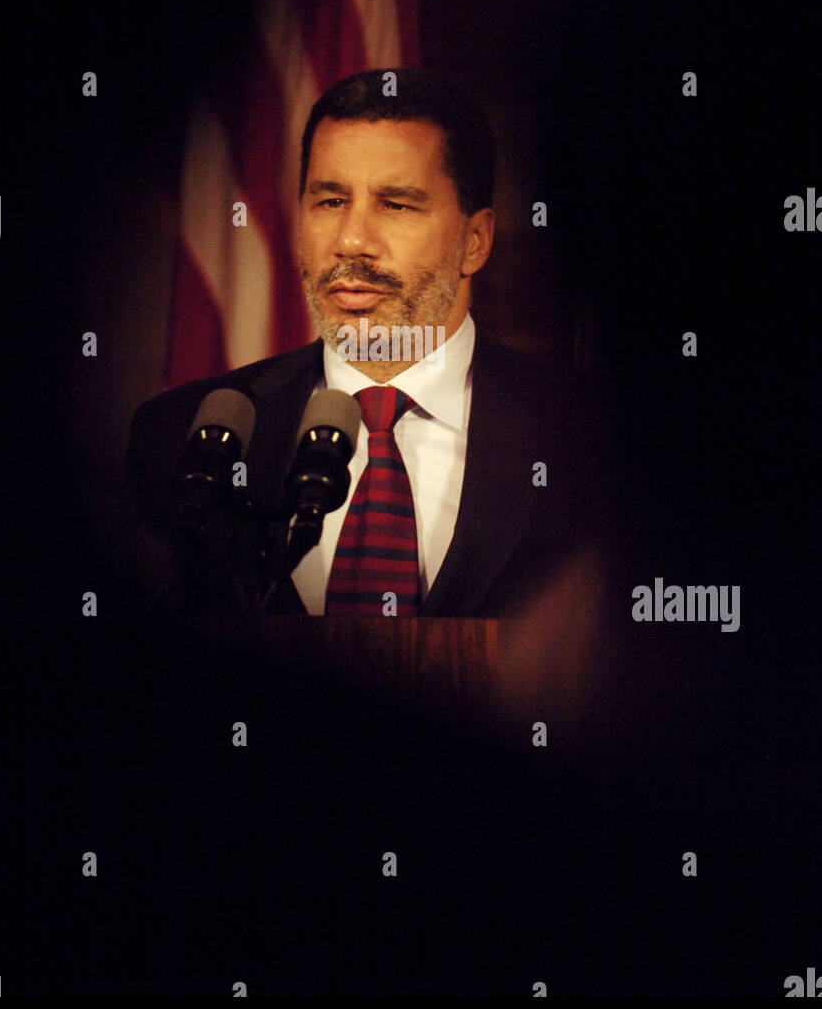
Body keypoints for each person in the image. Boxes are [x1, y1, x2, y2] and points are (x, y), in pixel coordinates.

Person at [126, 68, 603, 618]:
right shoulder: (180, 435)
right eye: (330, 202)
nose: (352, 241)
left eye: (395, 205)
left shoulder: (591, 436)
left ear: (474, 242)